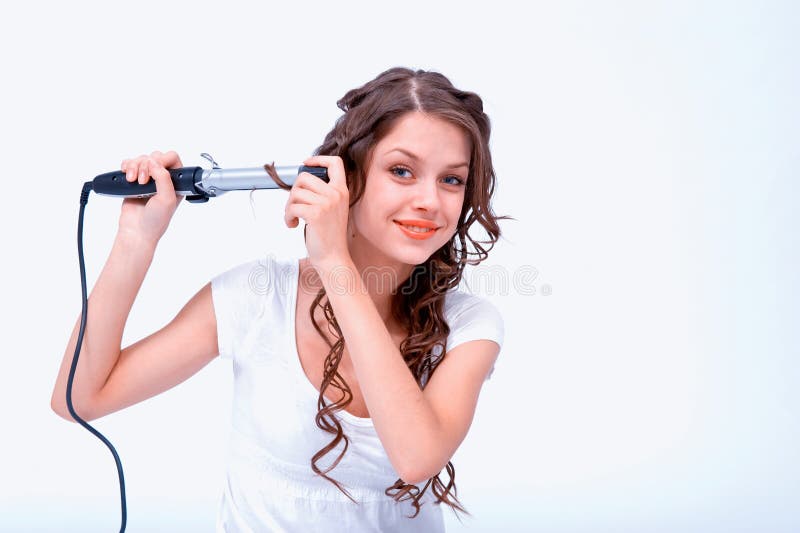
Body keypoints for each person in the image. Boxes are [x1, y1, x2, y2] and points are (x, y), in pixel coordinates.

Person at [51, 66, 510, 532]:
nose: (430, 201)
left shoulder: (471, 325)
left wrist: (335, 263)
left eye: (451, 180)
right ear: (346, 176)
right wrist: (135, 240)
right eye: (401, 171)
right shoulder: (255, 298)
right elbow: (80, 398)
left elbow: (415, 458)